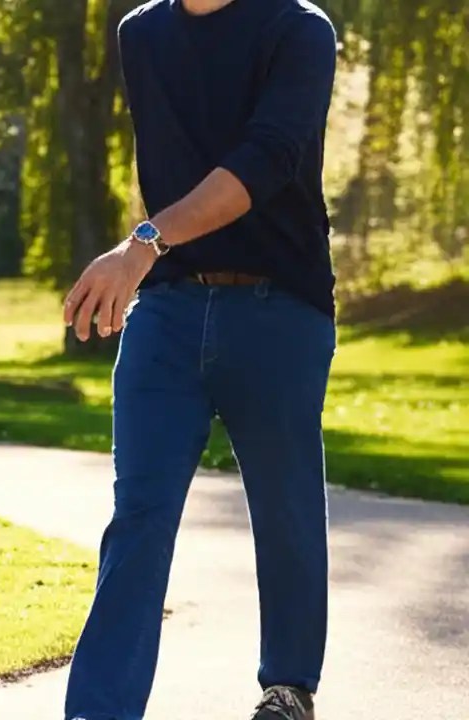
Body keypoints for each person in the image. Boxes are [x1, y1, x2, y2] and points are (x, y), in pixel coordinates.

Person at [59, 1, 338, 719]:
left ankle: (288, 687)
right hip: (171, 312)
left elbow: (266, 158)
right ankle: (99, 709)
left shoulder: (299, 29)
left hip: (281, 307)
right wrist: (151, 254)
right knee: (139, 516)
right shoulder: (141, 33)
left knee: (285, 507)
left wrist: (142, 244)